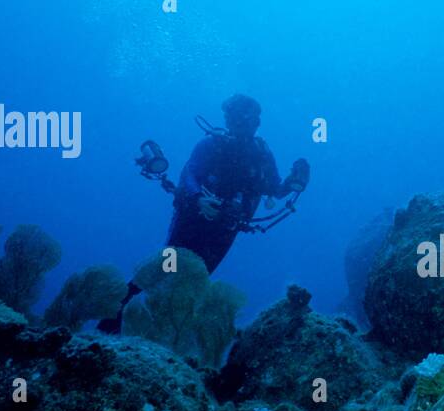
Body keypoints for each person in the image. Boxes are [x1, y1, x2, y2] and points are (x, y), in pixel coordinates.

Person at [100, 93, 309, 332]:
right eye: (243, 118)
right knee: (164, 270)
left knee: (196, 279)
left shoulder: (262, 153)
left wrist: (293, 183)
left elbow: (273, 187)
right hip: (191, 221)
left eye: (254, 119)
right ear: (231, 120)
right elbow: (190, 174)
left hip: (227, 228)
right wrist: (199, 199)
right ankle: (111, 320)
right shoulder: (211, 144)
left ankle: (158, 331)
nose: (250, 124)